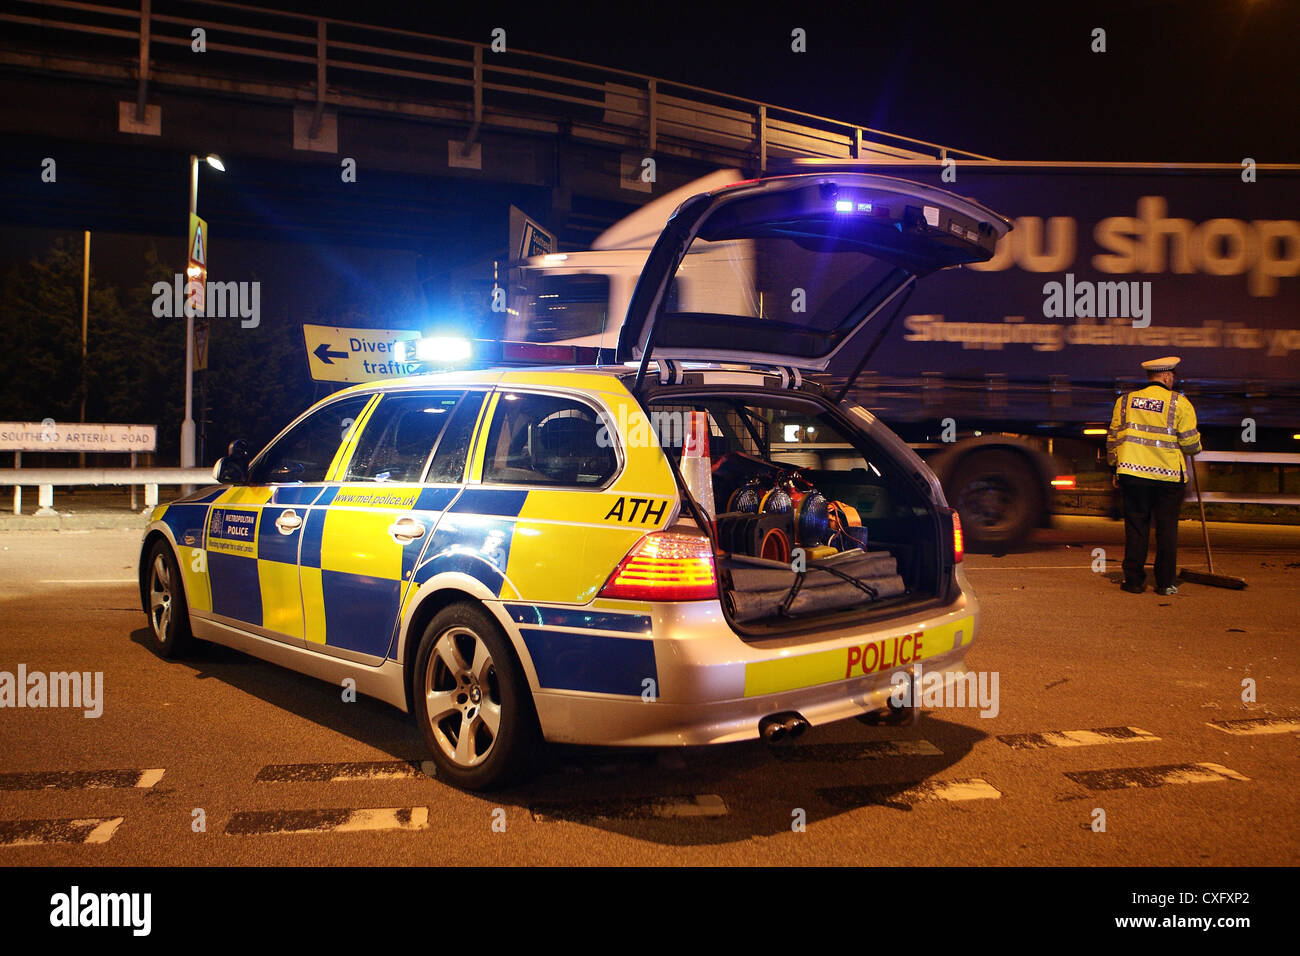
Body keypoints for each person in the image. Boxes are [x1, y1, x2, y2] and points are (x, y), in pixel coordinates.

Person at [1106, 356, 1202, 595]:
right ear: (1167, 377)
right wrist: (1196, 448)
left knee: (1136, 527)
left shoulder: (1125, 401)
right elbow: (1189, 443)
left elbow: (1113, 438)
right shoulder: (1180, 403)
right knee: (1167, 530)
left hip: (1133, 474)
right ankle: (1165, 583)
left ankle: (1134, 581)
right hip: (1168, 478)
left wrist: (1115, 466)